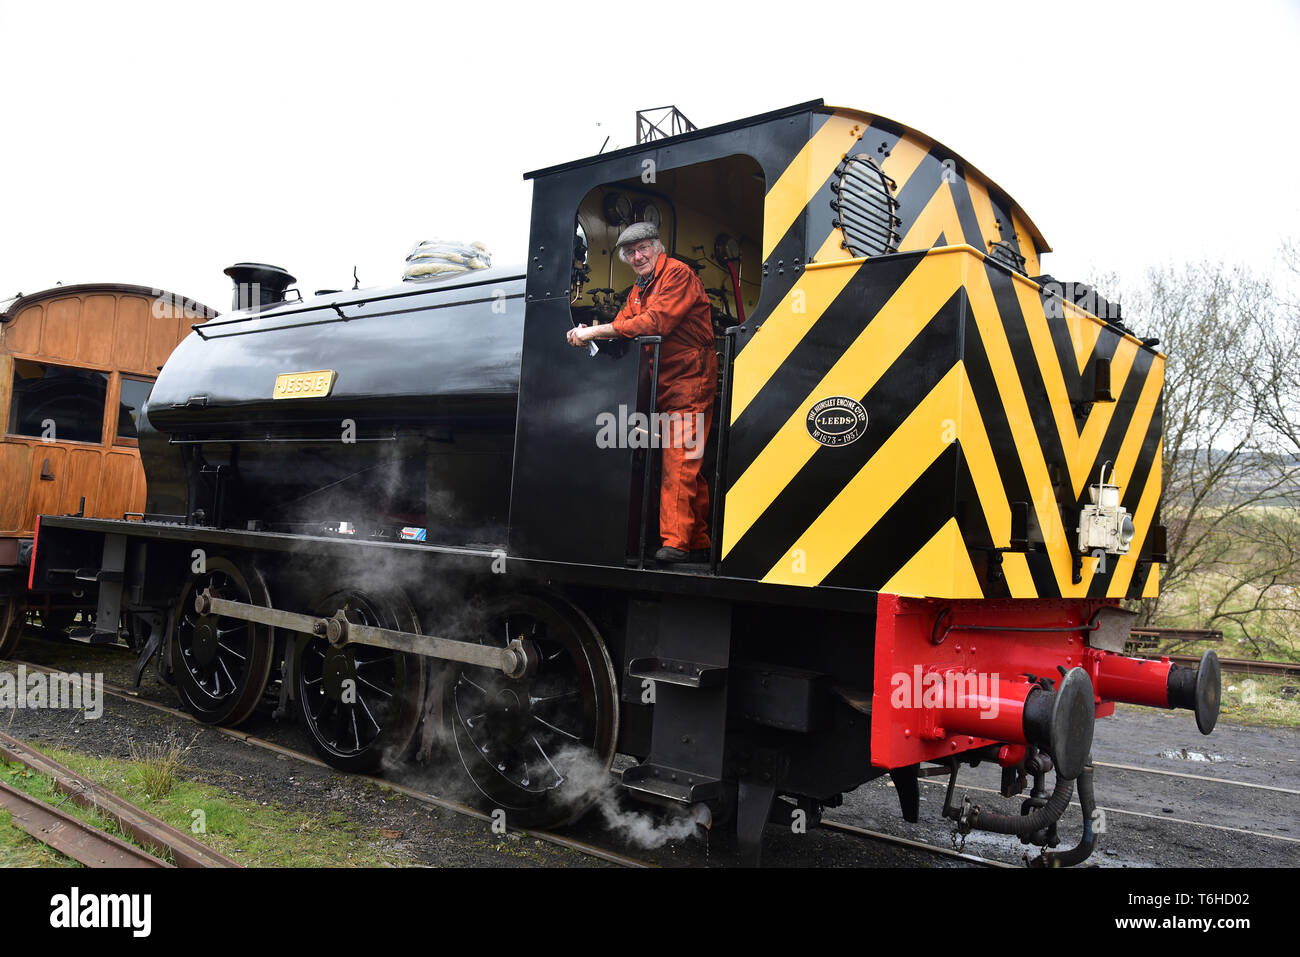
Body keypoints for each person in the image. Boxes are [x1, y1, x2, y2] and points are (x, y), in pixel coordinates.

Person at [566, 222, 718, 563]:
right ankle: (696, 540)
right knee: (688, 459)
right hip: (664, 384)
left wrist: (600, 331)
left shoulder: (678, 275)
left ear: (657, 247)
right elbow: (624, 323)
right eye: (631, 253)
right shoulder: (639, 288)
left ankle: (676, 543)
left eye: (643, 248)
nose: (638, 256)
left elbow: (656, 322)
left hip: (689, 380)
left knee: (679, 460)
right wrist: (590, 332)